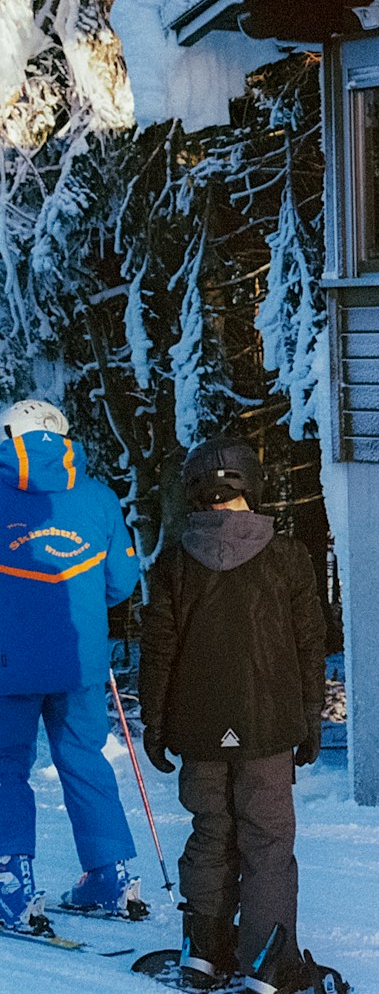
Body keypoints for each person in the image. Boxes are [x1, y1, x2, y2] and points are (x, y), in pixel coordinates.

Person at [138, 438, 344, 994]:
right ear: (250, 486)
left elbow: (159, 649)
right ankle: (268, 963)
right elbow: (309, 643)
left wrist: (155, 723)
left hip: (199, 732)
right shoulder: (287, 557)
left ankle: (203, 955)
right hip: (267, 730)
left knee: (211, 833)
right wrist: (310, 716)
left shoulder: (174, 562)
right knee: (267, 841)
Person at [0, 399, 142, 932]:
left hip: (8, 661)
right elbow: (121, 582)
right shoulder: (99, 496)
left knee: (5, 765)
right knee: (85, 759)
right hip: (80, 658)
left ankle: (11, 884)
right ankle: (109, 874)